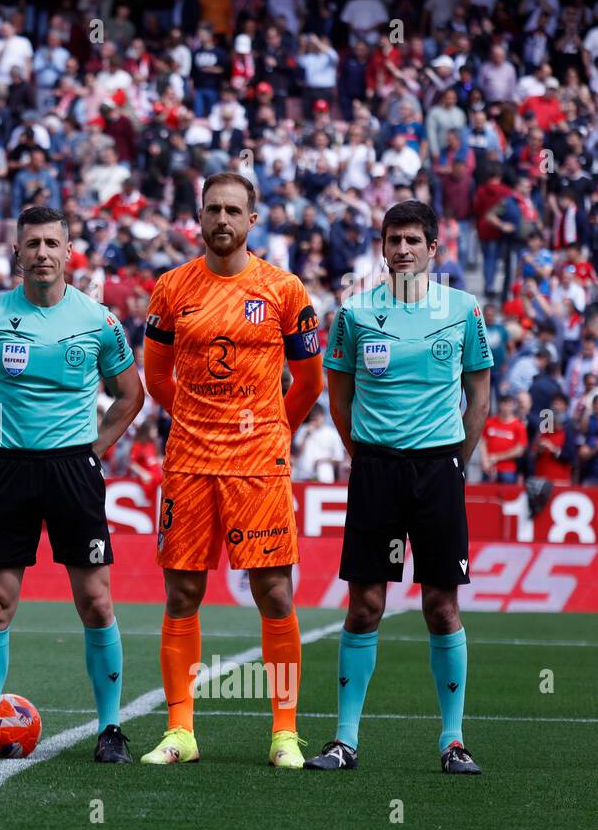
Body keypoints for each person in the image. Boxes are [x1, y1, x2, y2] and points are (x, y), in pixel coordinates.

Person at [0, 206, 145, 762]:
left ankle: (110, 732)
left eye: (51, 244)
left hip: (72, 472)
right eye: (31, 243)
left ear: (67, 252)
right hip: (10, 470)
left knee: (96, 602)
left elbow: (131, 394)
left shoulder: (97, 319)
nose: (41, 254)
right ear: (17, 252)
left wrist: (95, 450)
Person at [141, 172, 324, 769]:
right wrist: (197, 419)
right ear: (200, 217)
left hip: (259, 465)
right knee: (183, 591)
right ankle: (180, 732)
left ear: (253, 219)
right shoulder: (170, 288)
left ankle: (285, 734)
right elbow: (157, 378)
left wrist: (271, 428)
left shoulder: (285, 289)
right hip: (190, 460)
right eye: (213, 209)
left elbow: (312, 380)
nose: (222, 219)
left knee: (274, 591)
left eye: (233, 210)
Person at [311, 200, 492, 774]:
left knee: (441, 606)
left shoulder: (463, 310)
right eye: (394, 240)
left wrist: (456, 460)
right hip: (377, 471)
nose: (404, 249)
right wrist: (361, 451)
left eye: (415, 240)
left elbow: (479, 394)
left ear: (434, 249)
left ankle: (453, 740)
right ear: (383, 247)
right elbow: (338, 395)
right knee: (365, 606)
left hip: (438, 471)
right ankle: (345, 740)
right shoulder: (356, 312)